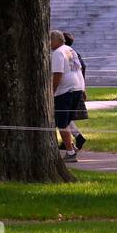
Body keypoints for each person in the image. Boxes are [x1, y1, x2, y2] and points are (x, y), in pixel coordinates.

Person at [49, 30, 85, 161]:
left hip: (65, 91)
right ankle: (72, 147)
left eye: (49, 40)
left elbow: (58, 74)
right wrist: (83, 89)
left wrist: (51, 92)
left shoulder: (58, 53)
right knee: (68, 120)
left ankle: (70, 152)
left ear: (55, 40)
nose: (48, 44)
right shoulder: (70, 50)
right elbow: (79, 69)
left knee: (62, 122)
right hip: (77, 88)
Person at [61, 31, 87, 151]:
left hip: (69, 89)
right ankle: (72, 139)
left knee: (62, 116)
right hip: (77, 87)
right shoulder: (75, 54)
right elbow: (82, 69)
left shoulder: (64, 54)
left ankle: (75, 138)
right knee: (65, 117)